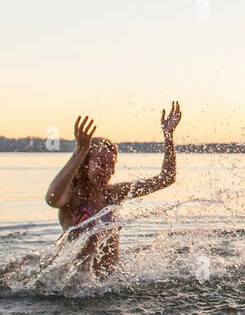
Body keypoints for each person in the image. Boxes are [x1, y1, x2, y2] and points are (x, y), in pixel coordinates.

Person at [45, 104, 182, 273]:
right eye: (101, 165)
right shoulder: (74, 197)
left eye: (111, 165)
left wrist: (168, 136)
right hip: (76, 284)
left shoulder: (113, 193)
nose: (108, 171)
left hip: (109, 283)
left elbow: (166, 178)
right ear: (85, 165)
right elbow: (51, 198)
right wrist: (80, 151)